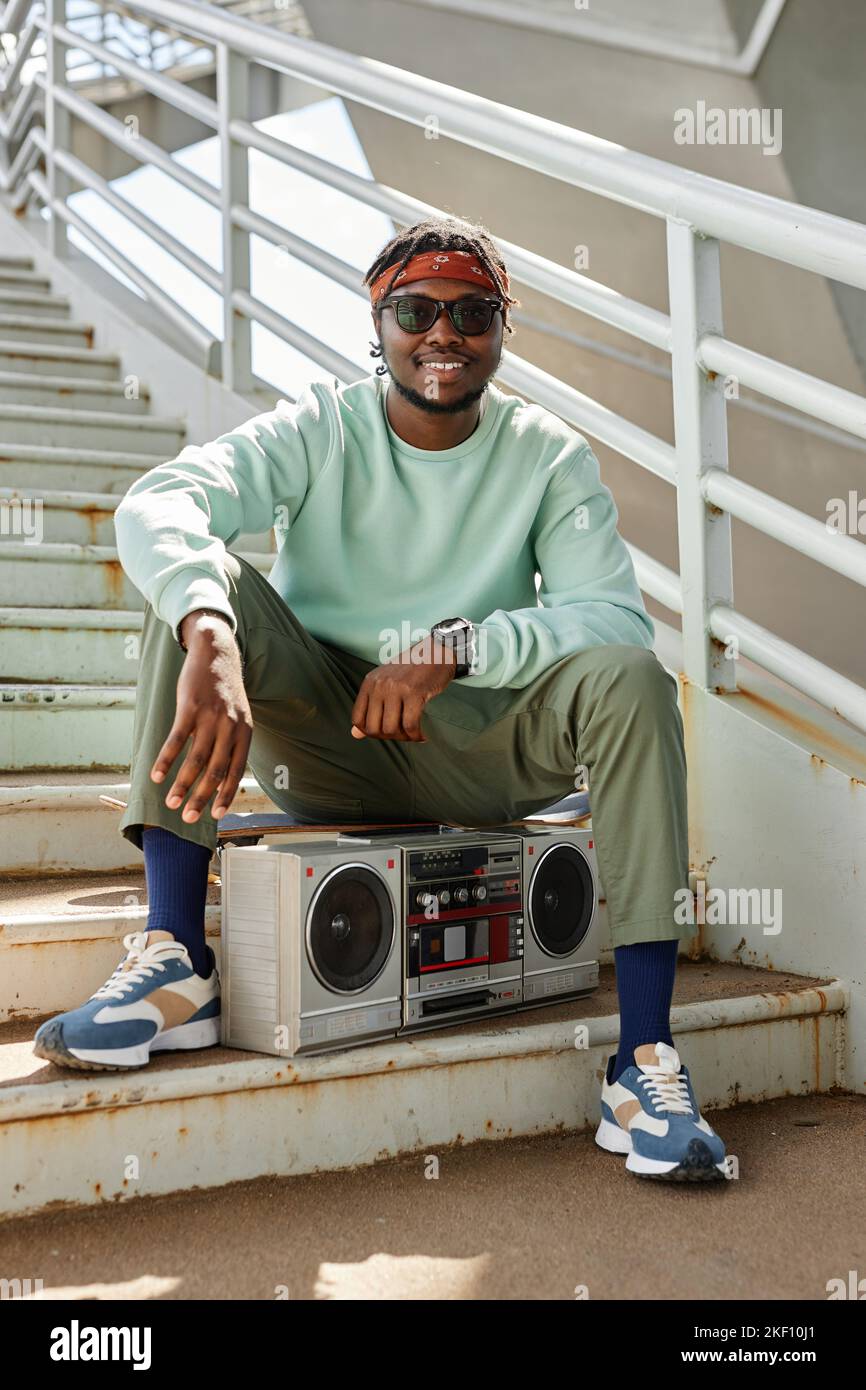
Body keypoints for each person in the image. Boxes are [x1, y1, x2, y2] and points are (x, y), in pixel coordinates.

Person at [33, 216, 728, 1182]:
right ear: (379, 322)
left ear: (498, 332)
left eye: (472, 314)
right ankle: (178, 960)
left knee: (632, 678)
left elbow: (613, 620)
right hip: (327, 740)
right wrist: (210, 629)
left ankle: (642, 1059)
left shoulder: (547, 456)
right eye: (416, 310)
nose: (443, 334)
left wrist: (462, 646)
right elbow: (165, 498)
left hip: (477, 752)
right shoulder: (323, 424)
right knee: (194, 588)